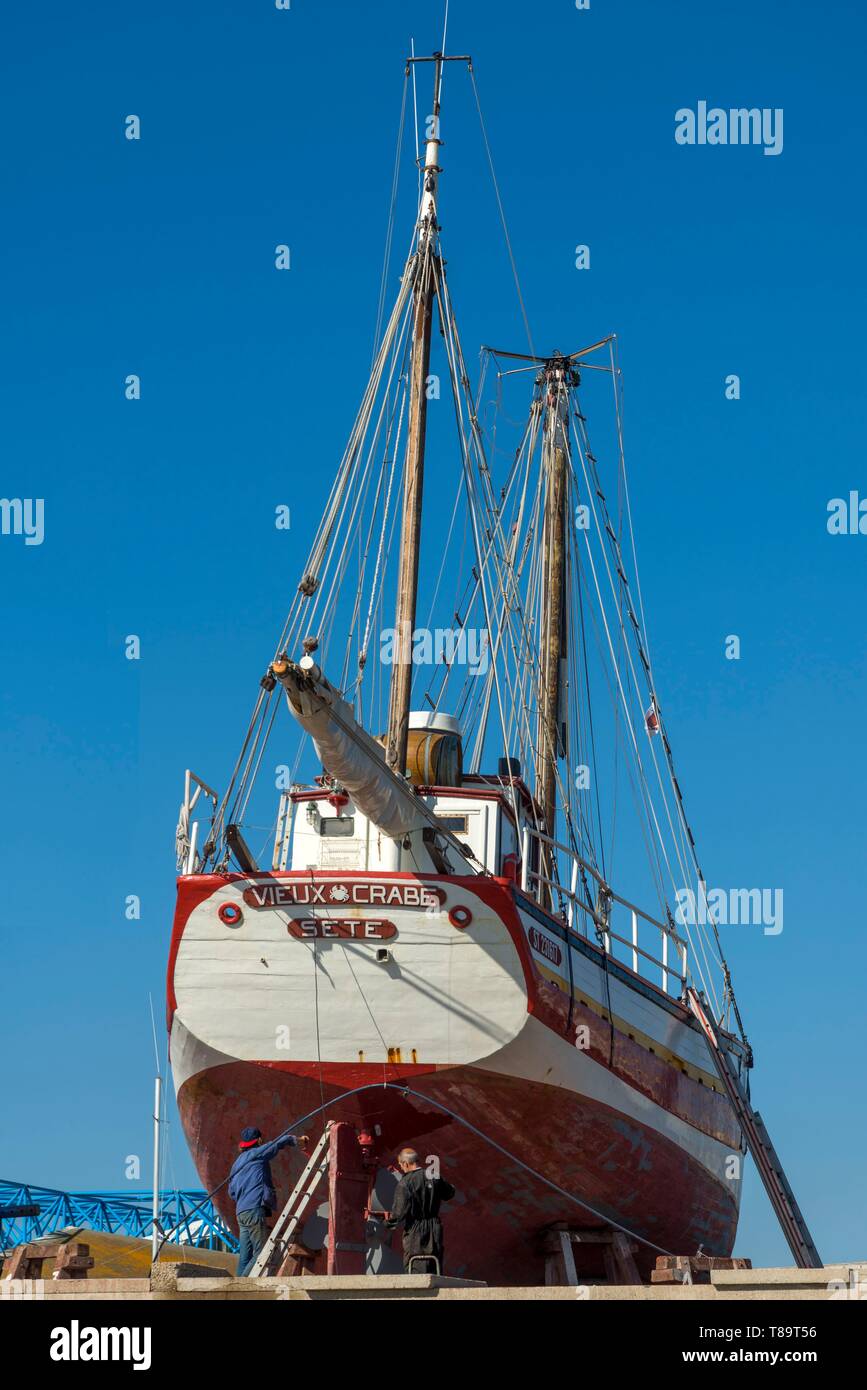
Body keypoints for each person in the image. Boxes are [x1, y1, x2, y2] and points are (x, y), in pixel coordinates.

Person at [228, 1125, 309, 1276]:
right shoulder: (257, 1153)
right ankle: (242, 1283)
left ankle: (236, 1290)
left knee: (245, 1256)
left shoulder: (236, 1164)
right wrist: (298, 1140)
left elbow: (231, 1192)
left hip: (241, 1212)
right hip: (254, 1209)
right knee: (261, 1252)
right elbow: (280, 1141)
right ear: (259, 1140)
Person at [384, 1148, 456, 1275]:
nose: (401, 1168)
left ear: (406, 1163)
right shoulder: (434, 1175)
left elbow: (399, 1213)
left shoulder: (405, 1182)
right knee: (434, 1261)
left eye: (401, 1165)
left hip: (415, 1229)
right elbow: (449, 1193)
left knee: (415, 1263)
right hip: (434, 1227)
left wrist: (387, 1223)